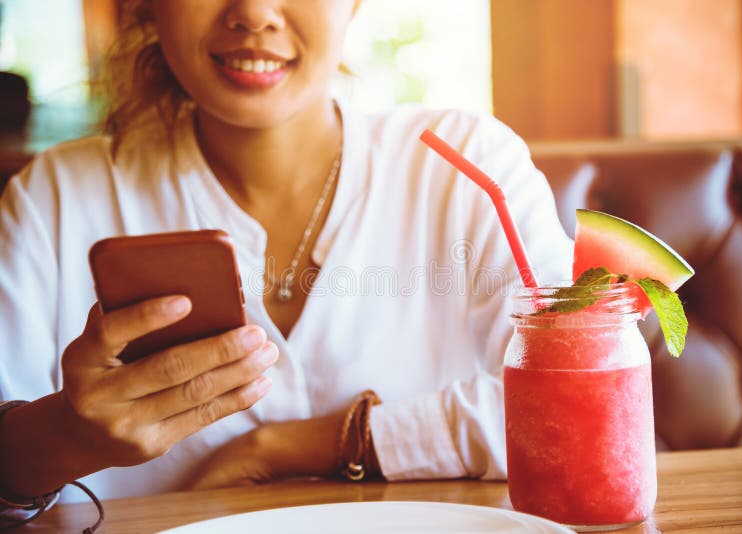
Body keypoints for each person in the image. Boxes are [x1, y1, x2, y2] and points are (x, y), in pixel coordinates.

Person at [0, 0, 571, 515]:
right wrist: (67, 436)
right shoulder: (54, 196)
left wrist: (294, 446)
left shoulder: (465, 165)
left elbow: (573, 401)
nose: (253, 13)